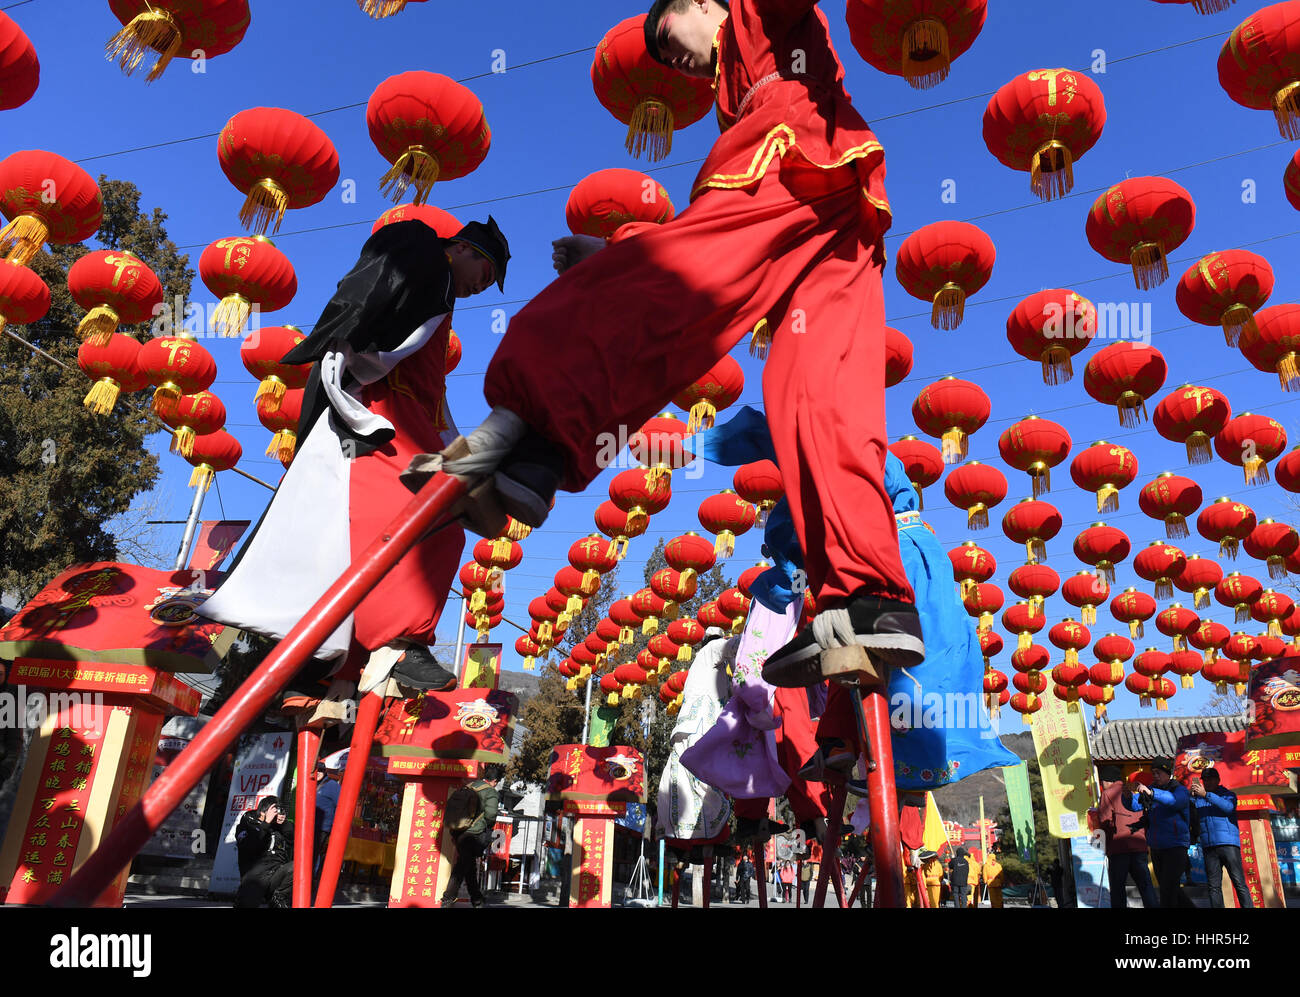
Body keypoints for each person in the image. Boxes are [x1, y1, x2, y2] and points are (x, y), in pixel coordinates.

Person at [429, 0, 924, 689]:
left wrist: (613, 256)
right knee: (815, 397)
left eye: (667, 36)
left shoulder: (759, 23)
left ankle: (529, 439)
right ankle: (870, 598)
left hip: (792, 167)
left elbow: (692, 253)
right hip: (832, 210)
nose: (674, 60)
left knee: (661, 290)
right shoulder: (732, 95)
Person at [199, 216, 511, 696]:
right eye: (484, 276)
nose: (480, 289)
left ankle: (340, 669)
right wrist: (350, 349)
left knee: (434, 531)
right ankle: (390, 645)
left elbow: (438, 399)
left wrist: (467, 456)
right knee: (415, 529)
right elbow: (375, 287)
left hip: (415, 430)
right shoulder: (426, 259)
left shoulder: (439, 300)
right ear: (465, 250)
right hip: (381, 420)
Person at [1125, 757, 1192, 909]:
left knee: (1168, 890)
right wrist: (1128, 797)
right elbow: (1135, 805)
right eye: (1153, 773)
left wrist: (1152, 793)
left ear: (1168, 773)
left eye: (1158, 772)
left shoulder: (1179, 789)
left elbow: (1174, 801)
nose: (1155, 776)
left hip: (1175, 846)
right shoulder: (1152, 789)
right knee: (1169, 888)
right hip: (1156, 846)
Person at [1091, 765, 1158, 908]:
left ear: (1107, 781)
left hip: (1119, 847)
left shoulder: (1108, 793)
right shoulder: (1133, 790)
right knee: (1146, 887)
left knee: (1118, 889)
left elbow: (1105, 821)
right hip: (1139, 844)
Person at [1191, 767, 1254, 908]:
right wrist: (1192, 796)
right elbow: (1191, 813)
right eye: (1204, 779)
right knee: (1213, 886)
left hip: (1228, 844)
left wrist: (1206, 795)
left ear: (1218, 780)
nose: (1207, 782)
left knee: (1239, 882)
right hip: (1208, 846)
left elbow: (1228, 808)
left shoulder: (1228, 794)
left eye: (1210, 779)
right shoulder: (1198, 798)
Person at [441, 764, 502, 908]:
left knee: (469, 864)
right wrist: (487, 827)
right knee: (462, 865)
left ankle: (477, 899)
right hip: (474, 833)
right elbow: (491, 814)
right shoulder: (491, 792)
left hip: (458, 830)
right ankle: (448, 898)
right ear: (495, 781)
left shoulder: (471, 785)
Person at [234, 796, 293, 908]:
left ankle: (278, 897)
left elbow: (294, 839)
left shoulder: (279, 828)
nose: (276, 815)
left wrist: (284, 823)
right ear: (262, 812)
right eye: (274, 811)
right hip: (255, 877)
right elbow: (250, 846)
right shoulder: (247, 823)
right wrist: (266, 823)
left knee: (299, 867)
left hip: (276, 874)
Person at [312, 760, 342, 884]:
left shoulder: (332, 785)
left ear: (325, 772)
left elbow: (341, 805)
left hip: (323, 826)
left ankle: (312, 877)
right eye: (316, 770)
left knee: (314, 852)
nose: (318, 773)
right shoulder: (311, 783)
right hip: (308, 824)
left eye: (321, 770)